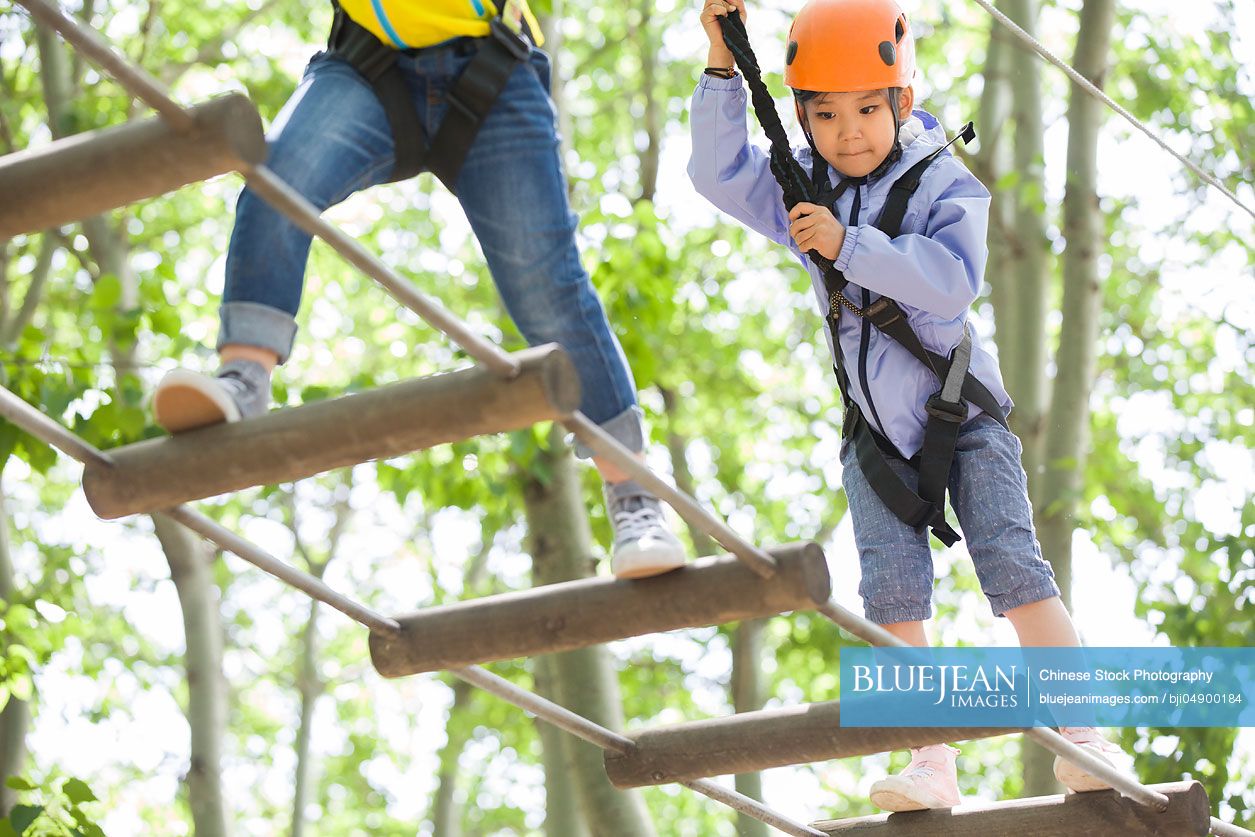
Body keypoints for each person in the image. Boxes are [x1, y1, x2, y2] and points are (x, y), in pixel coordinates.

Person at [691, 0, 1131, 811]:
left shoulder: (941, 183)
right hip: (874, 438)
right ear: (800, 115)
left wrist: (847, 244)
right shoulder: (805, 190)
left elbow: (950, 282)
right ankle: (926, 758)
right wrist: (723, 65)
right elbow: (719, 175)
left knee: (1012, 566)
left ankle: (1083, 732)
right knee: (890, 596)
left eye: (865, 108)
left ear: (900, 101)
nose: (845, 132)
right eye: (822, 113)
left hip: (960, 415)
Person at [151, 0, 685, 580]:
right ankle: (245, 377)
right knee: (276, 184)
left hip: (492, 66)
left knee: (546, 283)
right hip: (366, 67)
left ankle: (636, 500)